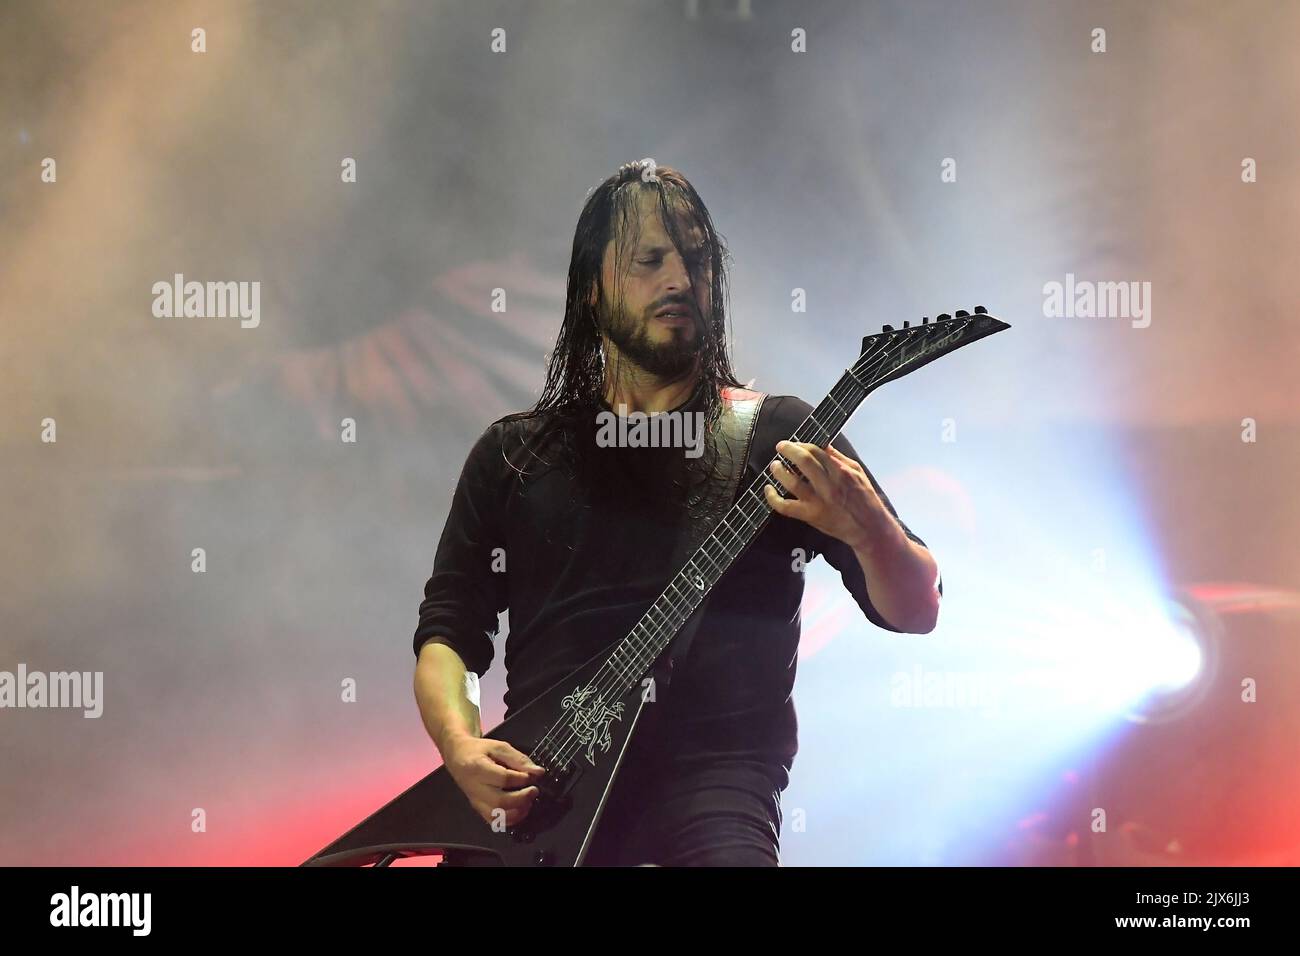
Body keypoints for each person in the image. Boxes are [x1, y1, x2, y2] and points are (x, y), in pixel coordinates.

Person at [413, 161, 942, 866]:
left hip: (712, 793)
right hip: (543, 796)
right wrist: (460, 746)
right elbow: (449, 632)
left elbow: (917, 608)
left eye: (697, 260)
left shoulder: (778, 436)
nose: (680, 280)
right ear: (593, 291)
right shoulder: (514, 454)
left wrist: (867, 527)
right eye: (649, 260)